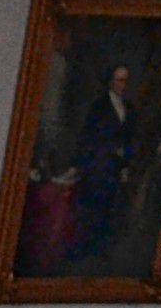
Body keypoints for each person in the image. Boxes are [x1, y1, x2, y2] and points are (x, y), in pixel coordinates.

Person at [62, 63, 144, 265]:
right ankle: (82, 250)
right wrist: (80, 164)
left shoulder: (130, 109)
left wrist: (126, 161)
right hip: (98, 166)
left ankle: (100, 251)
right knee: (91, 208)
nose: (123, 84)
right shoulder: (99, 107)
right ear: (111, 81)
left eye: (126, 80)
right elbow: (88, 137)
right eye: (119, 79)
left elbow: (130, 140)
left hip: (116, 169)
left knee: (110, 209)